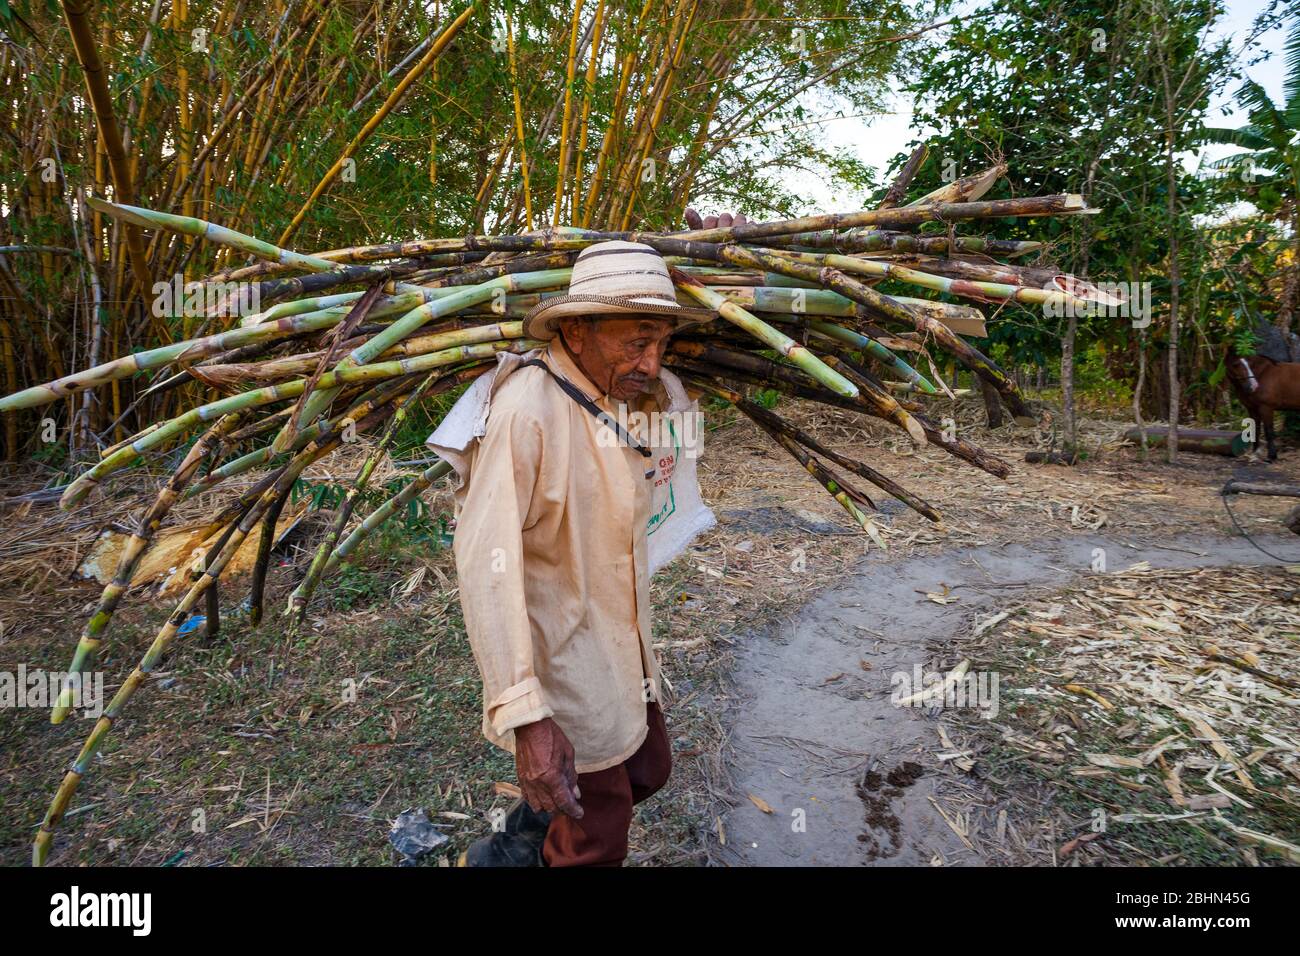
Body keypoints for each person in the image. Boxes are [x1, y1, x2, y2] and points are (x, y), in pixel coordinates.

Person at [452, 227, 730, 866]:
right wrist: (527, 717)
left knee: (648, 769)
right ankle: (524, 857)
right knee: (596, 836)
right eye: (636, 342)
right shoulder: (528, 412)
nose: (652, 364)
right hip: (564, 662)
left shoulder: (617, 398)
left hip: (622, 644)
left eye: (661, 343)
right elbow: (485, 568)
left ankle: (512, 848)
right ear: (576, 332)